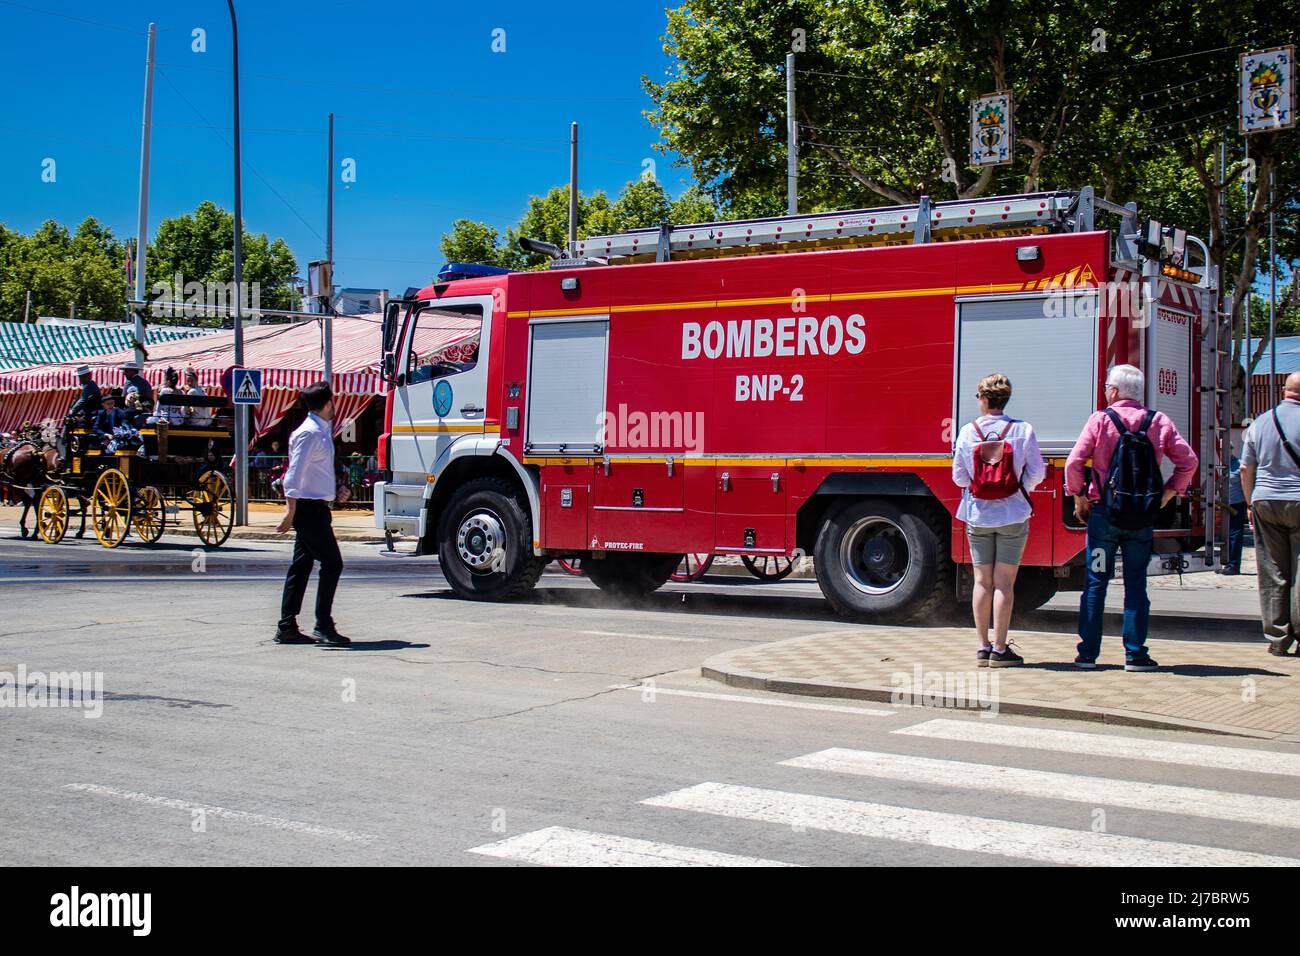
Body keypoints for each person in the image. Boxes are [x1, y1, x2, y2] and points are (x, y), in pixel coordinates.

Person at [1066, 364, 1198, 671]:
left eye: (1106, 388)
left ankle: (1087, 655)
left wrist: (1079, 496)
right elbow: (1188, 461)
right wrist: (1168, 493)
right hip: (1141, 519)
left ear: (1114, 391)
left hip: (1104, 517)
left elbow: (1074, 462)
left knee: (1096, 583)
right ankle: (1136, 655)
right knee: (1137, 584)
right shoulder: (1159, 421)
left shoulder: (1100, 420)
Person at [952, 373, 1045, 667]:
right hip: (1013, 514)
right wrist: (1018, 488)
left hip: (978, 515)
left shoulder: (968, 432)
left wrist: (979, 487)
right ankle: (1001, 650)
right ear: (1006, 399)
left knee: (982, 581)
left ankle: (982, 646)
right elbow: (1037, 472)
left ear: (982, 399)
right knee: (1005, 584)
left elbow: (958, 477)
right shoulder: (1023, 430)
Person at [274, 381, 348, 646]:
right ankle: (323, 624)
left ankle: (287, 626)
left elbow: (313, 473)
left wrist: (336, 489)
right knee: (332, 563)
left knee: (302, 565)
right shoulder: (311, 433)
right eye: (333, 401)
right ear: (328, 403)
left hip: (315, 507)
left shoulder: (319, 431)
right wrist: (290, 511)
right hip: (308, 509)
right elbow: (293, 474)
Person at [1240, 373, 1300, 657]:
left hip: (1265, 498)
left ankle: (1277, 638)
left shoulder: (1262, 421)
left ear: (1284, 391)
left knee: (1272, 569)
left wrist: (1250, 503)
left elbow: (1245, 468)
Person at [1219, 421, 1249, 575]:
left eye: (1227, 448)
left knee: (1235, 535)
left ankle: (1234, 565)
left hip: (1237, 505)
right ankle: (1226, 564)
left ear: (1231, 449)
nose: (1224, 451)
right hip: (1223, 505)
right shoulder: (1217, 465)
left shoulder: (1238, 464)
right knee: (1225, 535)